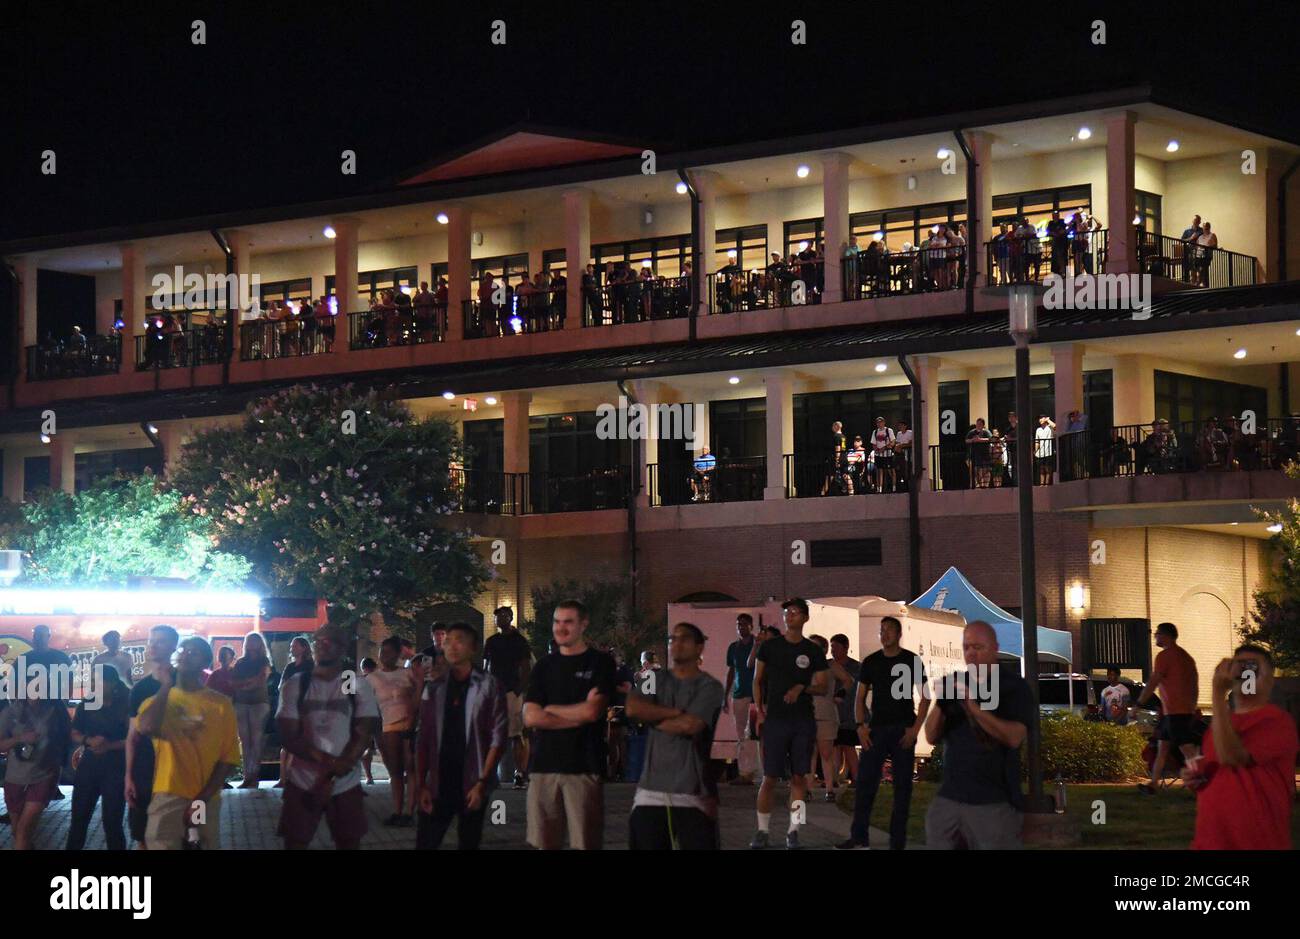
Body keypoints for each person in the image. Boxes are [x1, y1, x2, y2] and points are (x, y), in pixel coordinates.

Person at [924, 621, 1033, 850]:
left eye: (978, 647)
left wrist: (973, 708)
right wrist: (941, 704)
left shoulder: (1013, 687)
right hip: (950, 798)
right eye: (966, 647)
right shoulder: (956, 682)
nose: (971, 653)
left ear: (995, 648)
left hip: (993, 801)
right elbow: (931, 736)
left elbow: (1014, 737)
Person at [274, 624, 380, 850]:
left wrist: (338, 769)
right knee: (295, 841)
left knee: (348, 841)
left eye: (329, 641)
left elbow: (363, 729)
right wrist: (330, 764)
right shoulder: (298, 684)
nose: (322, 645)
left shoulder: (350, 681)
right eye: (318, 641)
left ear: (343, 648)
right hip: (303, 781)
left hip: (345, 782)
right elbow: (288, 734)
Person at [522, 599, 616, 850]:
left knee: (584, 842)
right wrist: (576, 713)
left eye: (568, 622)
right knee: (542, 843)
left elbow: (593, 711)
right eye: (557, 622)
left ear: (583, 625)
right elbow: (530, 717)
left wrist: (550, 710)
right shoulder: (544, 666)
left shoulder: (600, 663)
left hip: (583, 767)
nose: (560, 628)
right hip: (543, 767)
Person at [1186, 646, 1299, 849]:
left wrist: (1217, 694)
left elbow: (1232, 757)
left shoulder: (1277, 721)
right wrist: (1196, 777)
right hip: (1212, 841)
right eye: (1240, 665)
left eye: (1253, 667)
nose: (1246, 673)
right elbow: (1217, 770)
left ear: (1270, 680)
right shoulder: (1220, 725)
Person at [134, 637, 240, 850]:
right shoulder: (157, 701)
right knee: (160, 842)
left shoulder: (220, 704)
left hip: (204, 798)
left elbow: (228, 758)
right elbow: (145, 727)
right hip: (167, 795)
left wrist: (202, 798)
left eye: (194, 652)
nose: (185, 654)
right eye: (182, 649)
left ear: (205, 663)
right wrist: (166, 686)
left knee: (200, 843)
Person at [626, 622, 725, 850]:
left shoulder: (709, 686)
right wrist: (674, 712)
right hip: (650, 791)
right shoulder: (654, 679)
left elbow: (690, 725)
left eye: (684, 638)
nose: (676, 643)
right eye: (673, 639)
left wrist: (651, 716)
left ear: (699, 647)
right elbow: (633, 708)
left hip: (692, 792)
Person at [838, 615, 930, 850]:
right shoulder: (871, 662)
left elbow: (926, 697)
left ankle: (897, 841)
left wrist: (915, 730)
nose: (885, 634)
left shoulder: (912, 660)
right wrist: (860, 726)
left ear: (899, 634)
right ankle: (859, 837)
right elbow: (859, 697)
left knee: (902, 788)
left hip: (903, 730)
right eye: (882, 630)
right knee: (865, 784)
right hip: (876, 729)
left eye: (889, 629)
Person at [414, 623, 507, 850]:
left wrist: (483, 782)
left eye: (459, 641)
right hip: (438, 781)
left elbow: (498, 737)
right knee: (426, 841)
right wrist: (421, 784)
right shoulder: (435, 688)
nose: (452, 646)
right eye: (447, 641)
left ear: (473, 648)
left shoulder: (488, 685)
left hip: (472, 779)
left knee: (469, 840)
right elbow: (423, 738)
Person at [750, 597, 829, 850]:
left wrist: (802, 687)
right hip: (776, 720)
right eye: (787, 612)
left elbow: (823, 686)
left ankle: (794, 832)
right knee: (770, 777)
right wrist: (760, 711)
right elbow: (757, 680)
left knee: (799, 778)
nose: (789, 615)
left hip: (803, 721)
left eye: (795, 612)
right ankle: (762, 831)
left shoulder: (813, 650)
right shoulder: (770, 647)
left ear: (805, 617)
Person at [125, 624, 180, 848]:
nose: (153, 646)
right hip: (146, 771)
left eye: (160, 641)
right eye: (151, 641)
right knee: (142, 835)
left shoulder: (187, 683)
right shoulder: (139, 689)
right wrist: (129, 776)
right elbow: (132, 737)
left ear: (173, 646)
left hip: (179, 771)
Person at [0, 678, 71, 849]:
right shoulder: (11, 712)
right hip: (15, 777)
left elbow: (66, 735)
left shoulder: (55, 709)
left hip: (44, 775)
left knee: (23, 831)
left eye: (41, 687)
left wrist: (57, 763)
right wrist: (20, 738)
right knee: (17, 832)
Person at [66, 665, 130, 850]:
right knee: (79, 819)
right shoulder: (87, 704)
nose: (93, 685)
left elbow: (134, 738)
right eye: (92, 681)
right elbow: (74, 732)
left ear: (112, 683)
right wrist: (88, 740)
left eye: (98, 681)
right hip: (89, 767)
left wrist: (109, 745)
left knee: (112, 822)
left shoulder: (126, 704)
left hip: (116, 768)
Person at [1134, 622, 1200, 794]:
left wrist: (1138, 704)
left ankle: (1204, 781)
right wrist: (1192, 707)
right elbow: (1194, 685)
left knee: (1187, 750)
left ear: (1165, 635)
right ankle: (1153, 784)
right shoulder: (1186, 657)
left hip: (1175, 712)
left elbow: (1154, 681)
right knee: (1163, 748)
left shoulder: (1164, 656)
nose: (1155, 637)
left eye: (1157, 634)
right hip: (1180, 711)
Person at [367, 635, 421, 825]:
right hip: (388, 727)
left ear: (398, 654)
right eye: (382, 651)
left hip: (410, 725)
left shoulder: (407, 674)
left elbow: (419, 695)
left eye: (389, 652)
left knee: (411, 768)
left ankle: (409, 812)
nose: (385, 655)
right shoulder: (372, 678)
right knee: (395, 771)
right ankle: (397, 811)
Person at [482, 605, 533, 790]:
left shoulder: (519, 641)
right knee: (492, 733)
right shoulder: (491, 641)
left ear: (510, 618)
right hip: (494, 692)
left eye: (504, 616)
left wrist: (520, 689)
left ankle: (519, 773)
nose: (500, 619)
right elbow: (486, 665)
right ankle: (490, 773)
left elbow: (526, 666)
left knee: (516, 733)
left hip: (512, 690)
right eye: (497, 616)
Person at [231, 632, 271, 788]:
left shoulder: (264, 661)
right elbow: (233, 682)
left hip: (258, 702)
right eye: (248, 641)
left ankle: (254, 776)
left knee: (256, 739)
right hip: (241, 702)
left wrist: (244, 684)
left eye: (254, 641)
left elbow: (261, 679)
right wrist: (249, 683)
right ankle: (247, 776)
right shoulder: (241, 662)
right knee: (245, 740)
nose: (250, 644)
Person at [723, 613, 758, 784]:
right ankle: (744, 772)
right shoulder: (733, 648)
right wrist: (725, 695)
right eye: (738, 624)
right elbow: (731, 671)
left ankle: (759, 772)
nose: (741, 627)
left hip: (756, 695)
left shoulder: (758, 645)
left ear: (751, 625)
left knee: (755, 734)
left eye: (744, 624)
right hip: (738, 694)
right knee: (741, 735)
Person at [275, 636, 314, 788]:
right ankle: (282, 778)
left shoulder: (310, 666)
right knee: (286, 745)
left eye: (295, 645)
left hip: (302, 708)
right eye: (291, 645)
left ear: (304, 648)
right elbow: (281, 686)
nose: (292, 648)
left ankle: (291, 777)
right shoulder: (290, 667)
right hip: (287, 707)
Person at [808, 634, 842, 803]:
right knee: (809, 754)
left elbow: (849, 680)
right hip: (807, 714)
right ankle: (807, 789)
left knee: (826, 754)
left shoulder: (830, 665)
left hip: (825, 714)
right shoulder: (805, 665)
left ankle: (829, 789)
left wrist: (840, 695)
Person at [828, 634, 861, 790]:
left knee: (848, 746)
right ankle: (834, 778)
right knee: (834, 747)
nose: (833, 650)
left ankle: (856, 778)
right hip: (833, 713)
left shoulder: (856, 667)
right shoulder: (829, 665)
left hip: (849, 713)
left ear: (846, 648)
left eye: (836, 647)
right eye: (832, 647)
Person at [358, 657, 380, 785]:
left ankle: (369, 776)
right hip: (380, 716)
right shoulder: (379, 679)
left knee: (366, 747)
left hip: (365, 718)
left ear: (363, 668)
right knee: (383, 747)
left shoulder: (360, 681)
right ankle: (395, 773)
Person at [869, 416, 896, 493]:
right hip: (878, 455)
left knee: (891, 470)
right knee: (879, 471)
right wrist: (876, 450)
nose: (879, 424)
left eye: (881, 422)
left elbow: (893, 441)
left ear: (884, 422)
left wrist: (884, 448)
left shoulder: (889, 430)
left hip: (888, 454)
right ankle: (879, 488)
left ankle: (894, 487)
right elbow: (873, 443)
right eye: (878, 422)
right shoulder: (875, 432)